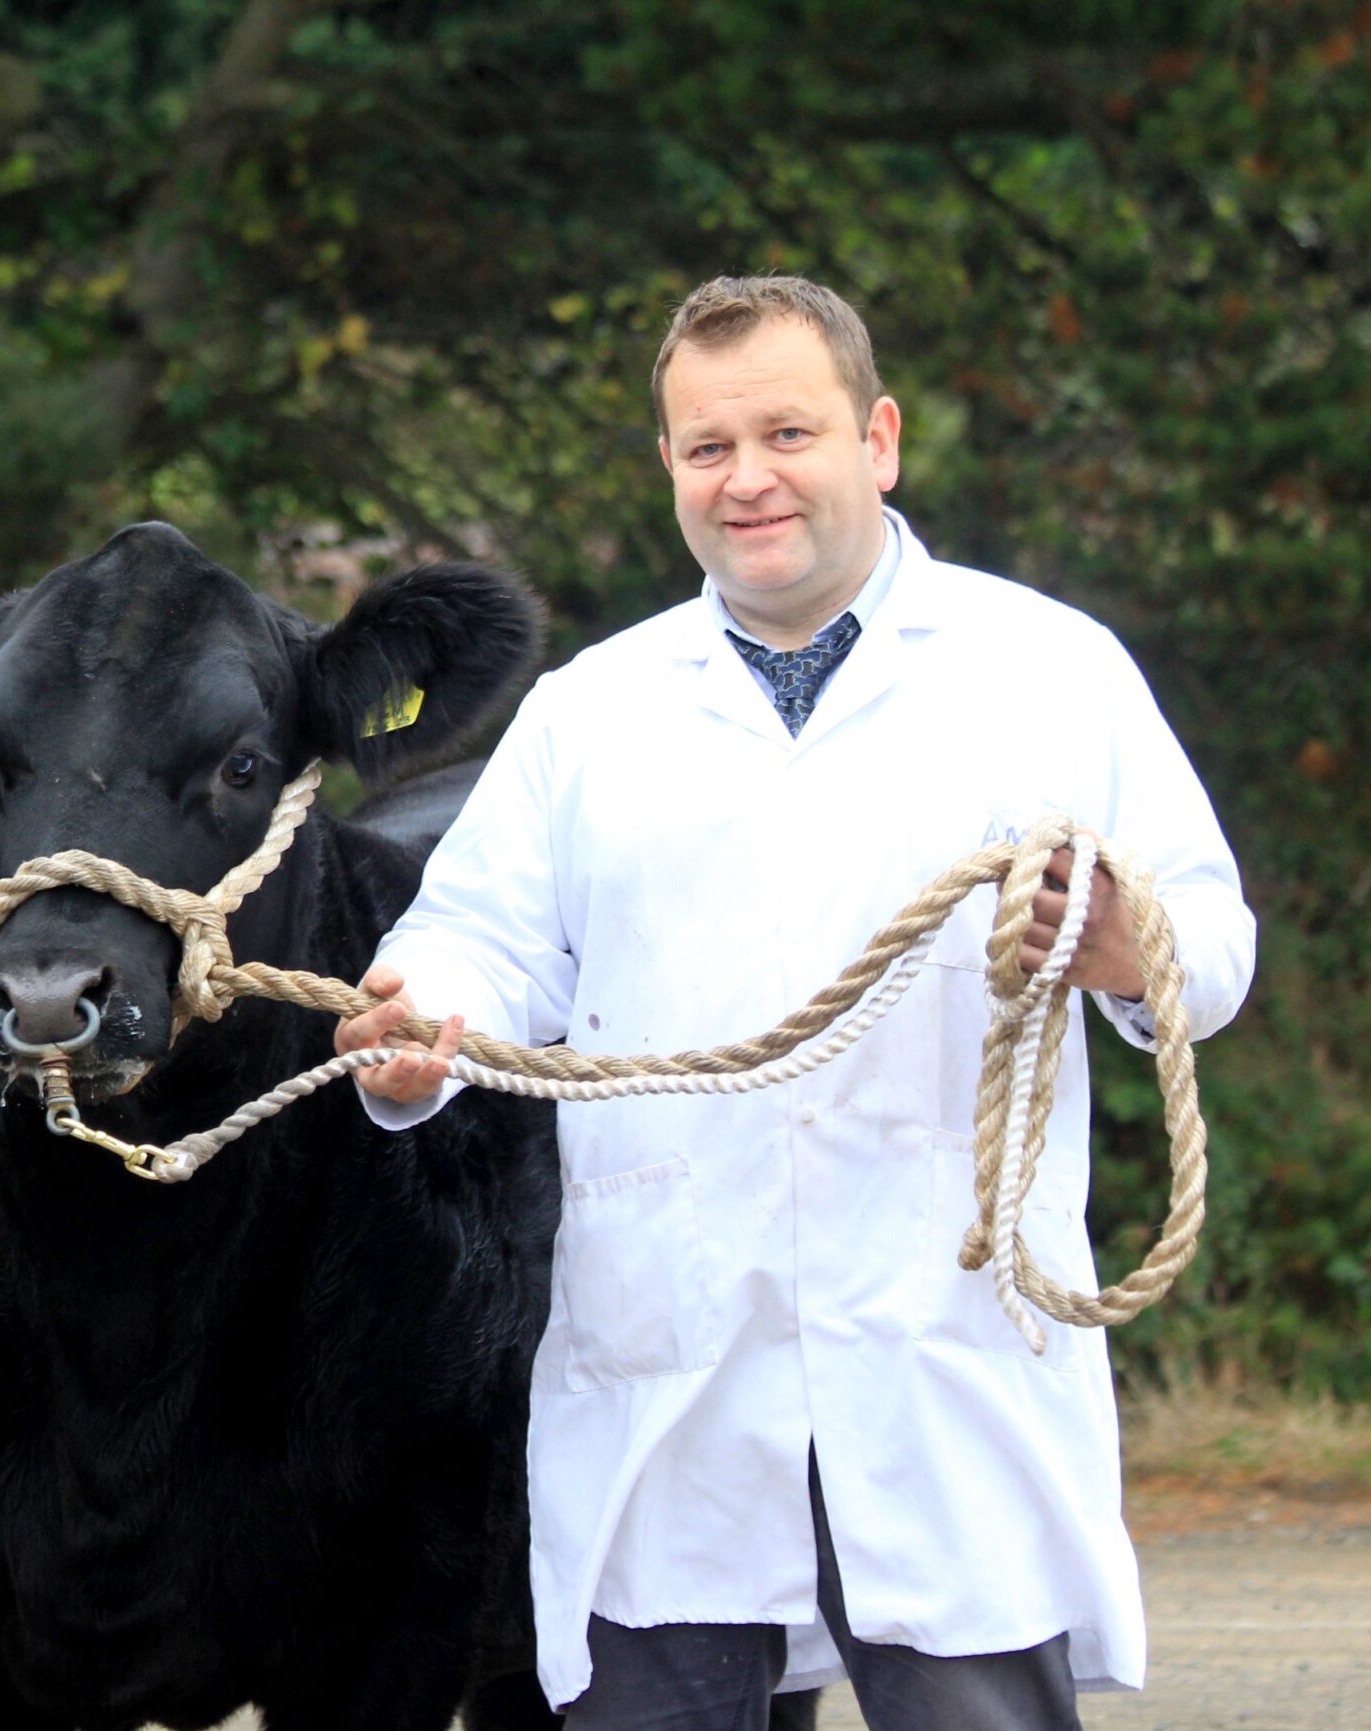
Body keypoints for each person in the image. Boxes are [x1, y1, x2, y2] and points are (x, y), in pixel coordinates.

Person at [338, 275, 1255, 1730]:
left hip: (938, 1355)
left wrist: (1112, 940)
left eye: (788, 432)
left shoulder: (1047, 671)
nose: (748, 478)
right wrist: (416, 1032)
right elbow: (480, 942)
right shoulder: (595, 710)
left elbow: (1213, 935)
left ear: (878, 440)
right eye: (709, 448)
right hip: (677, 1365)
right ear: (670, 472)